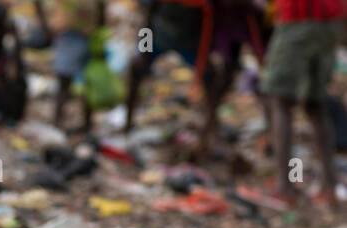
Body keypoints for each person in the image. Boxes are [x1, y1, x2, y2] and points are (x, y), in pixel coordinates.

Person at [124, 0, 270, 158]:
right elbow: (148, 14)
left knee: (212, 77)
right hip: (160, 36)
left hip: (191, 42)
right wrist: (144, 48)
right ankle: (126, 127)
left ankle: (208, 132)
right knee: (136, 69)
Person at [262, 0, 344, 205]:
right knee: (315, 103)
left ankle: (286, 186)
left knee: (281, 101)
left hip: (298, 16)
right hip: (331, 19)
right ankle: (329, 186)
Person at [35, 0, 107, 131]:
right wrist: (45, 26)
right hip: (68, 33)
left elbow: (101, 9)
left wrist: (100, 37)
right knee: (64, 82)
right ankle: (57, 124)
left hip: (89, 35)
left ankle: (86, 126)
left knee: (89, 83)